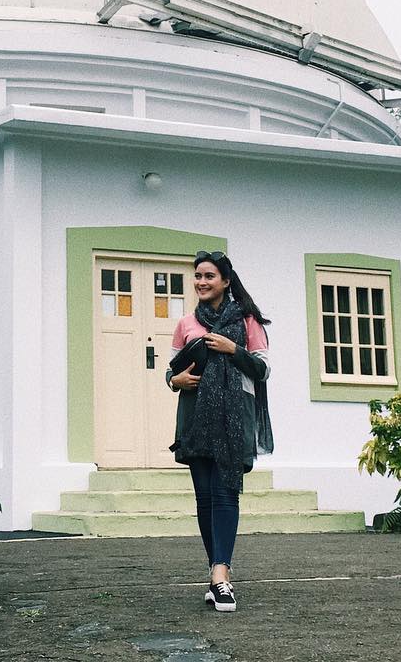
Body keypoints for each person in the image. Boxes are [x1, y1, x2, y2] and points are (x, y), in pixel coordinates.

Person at [167, 250, 273, 613]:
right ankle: (218, 574)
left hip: (233, 418)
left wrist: (233, 349)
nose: (201, 282)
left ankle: (221, 576)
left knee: (225, 494)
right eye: (197, 276)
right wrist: (175, 381)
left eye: (209, 276)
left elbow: (262, 371)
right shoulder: (186, 323)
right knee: (204, 499)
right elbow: (173, 370)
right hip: (196, 416)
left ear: (226, 281)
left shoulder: (247, 321)